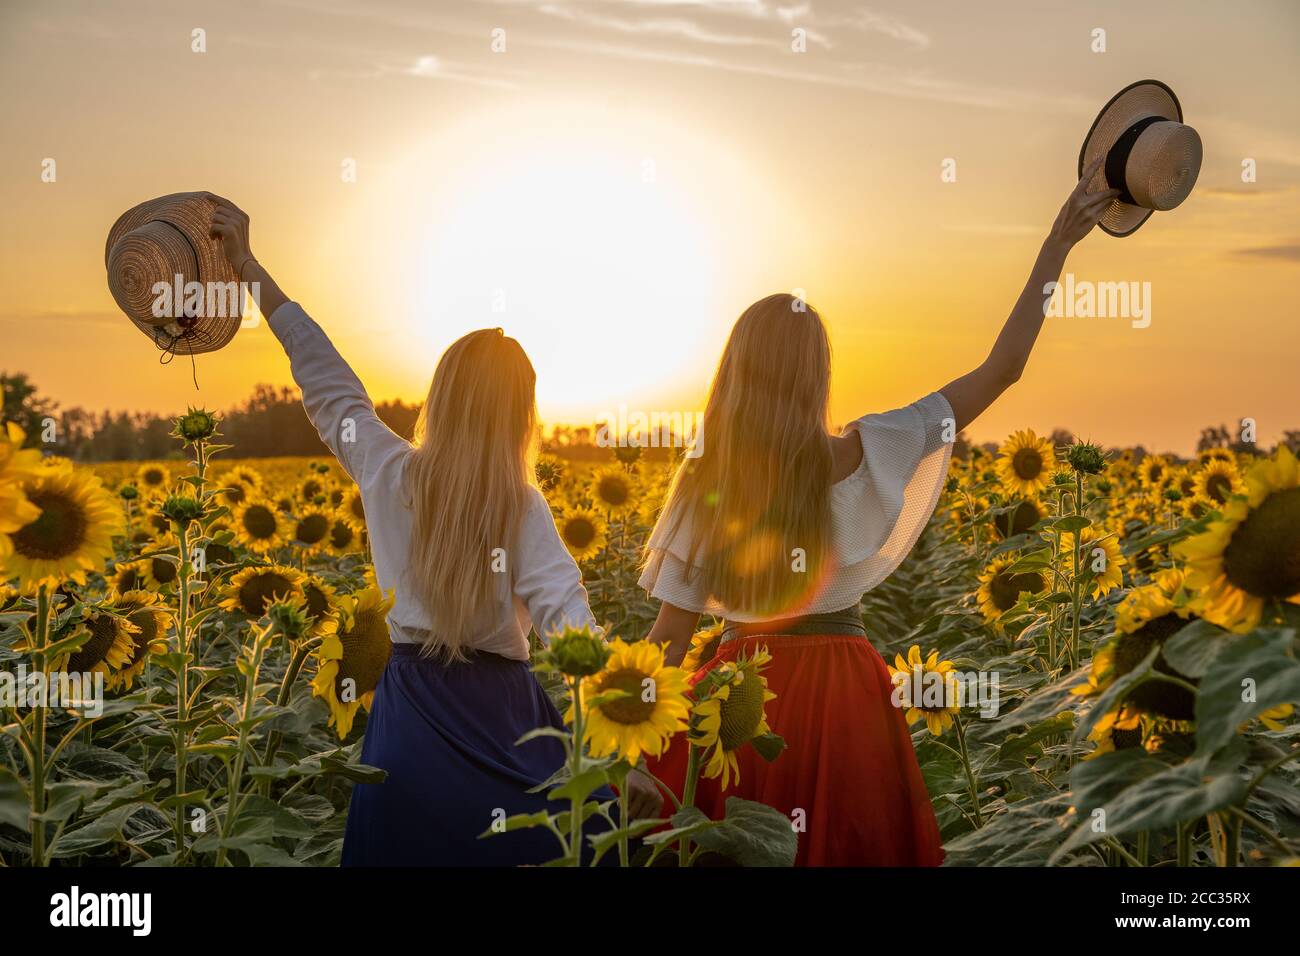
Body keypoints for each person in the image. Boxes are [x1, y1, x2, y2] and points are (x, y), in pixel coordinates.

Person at [639, 160, 1121, 865]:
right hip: (848, 693)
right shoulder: (874, 448)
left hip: (742, 701)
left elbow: (669, 637)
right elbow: (1002, 369)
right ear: (818, 372)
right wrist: (1056, 246)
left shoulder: (708, 477)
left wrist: (611, 747)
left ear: (735, 371)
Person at [207, 198, 662, 865]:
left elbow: (324, 377)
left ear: (439, 396)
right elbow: (574, 631)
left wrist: (248, 268)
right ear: (521, 415)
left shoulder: (386, 469)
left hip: (409, 721)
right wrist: (630, 748)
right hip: (508, 724)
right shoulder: (521, 504)